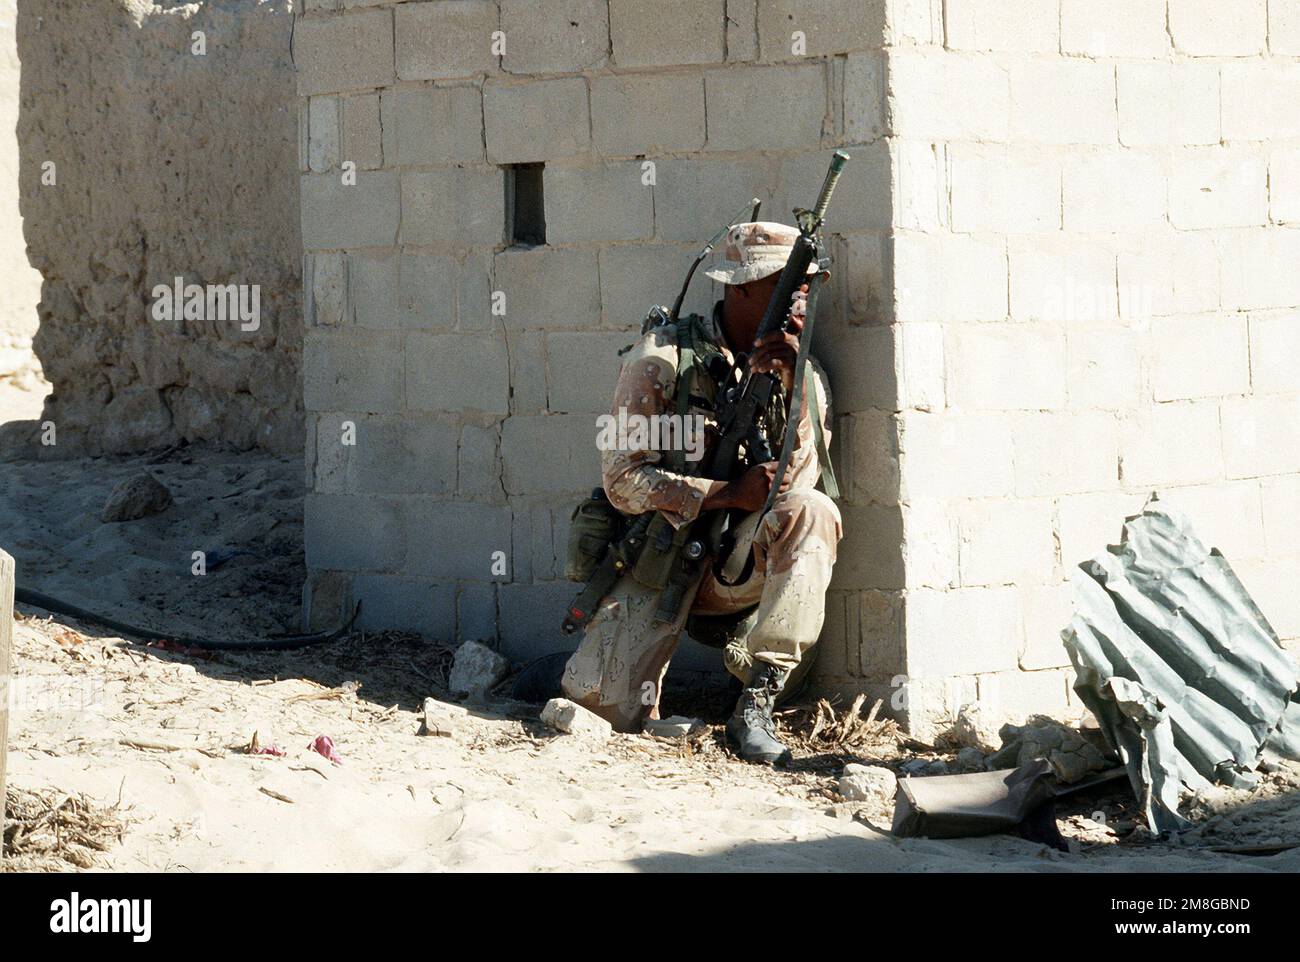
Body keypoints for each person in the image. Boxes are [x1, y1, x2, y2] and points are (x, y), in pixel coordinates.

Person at [561, 222, 842, 766]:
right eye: (788, 286)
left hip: (737, 562)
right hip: (657, 559)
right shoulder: (661, 362)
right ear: (739, 289)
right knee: (601, 710)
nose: (802, 300)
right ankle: (561, 669)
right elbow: (622, 480)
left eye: (809, 286)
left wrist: (790, 383)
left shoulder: (802, 375)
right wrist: (721, 492)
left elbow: (802, 481)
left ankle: (756, 700)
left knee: (813, 512)